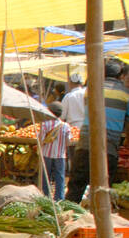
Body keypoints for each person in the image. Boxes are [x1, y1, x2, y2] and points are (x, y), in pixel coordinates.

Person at [68, 59, 129, 204]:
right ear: (120, 76)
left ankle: (67, 216)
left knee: (76, 186)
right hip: (109, 148)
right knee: (103, 188)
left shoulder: (91, 90)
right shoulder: (125, 94)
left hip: (84, 145)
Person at [38, 102, 72, 201]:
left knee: (46, 176)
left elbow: (41, 140)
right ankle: (59, 199)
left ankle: (46, 197)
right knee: (60, 178)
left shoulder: (45, 124)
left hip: (46, 154)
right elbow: (68, 142)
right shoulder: (66, 126)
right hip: (60, 155)